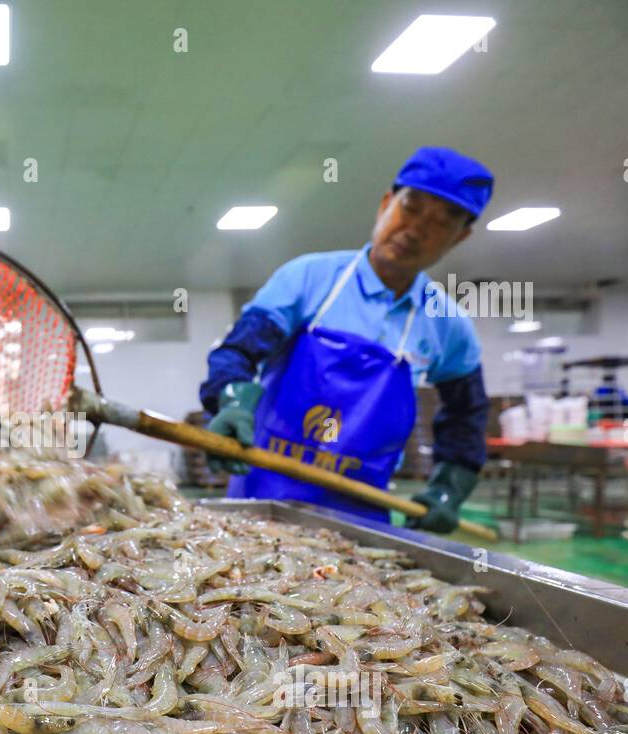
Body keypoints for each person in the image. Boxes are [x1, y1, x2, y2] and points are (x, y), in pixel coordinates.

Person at [199, 146, 493, 533]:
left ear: (461, 237)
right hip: (262, 502)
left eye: (442, 223)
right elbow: (238, 351)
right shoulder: (307, 279)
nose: (417, 229)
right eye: (411, 207)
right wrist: (232, 401)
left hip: (361, 516)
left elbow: (466, 418)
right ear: (386, 203)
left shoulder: (448, 325)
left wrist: (448, 490)